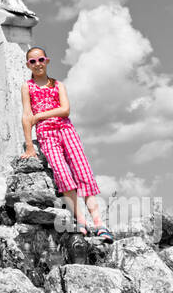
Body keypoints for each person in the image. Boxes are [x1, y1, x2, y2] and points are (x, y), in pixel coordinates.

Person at [19, 45, 112, 243]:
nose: (37, 64)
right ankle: (82, 222)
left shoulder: (58, 85)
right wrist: (29, 145)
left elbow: (65, 110)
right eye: (33, 61)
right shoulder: (27, 87)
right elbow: (26, 116)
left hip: (66, 130)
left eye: (41, 60)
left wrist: (40, 115)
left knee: (83, 172)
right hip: (46, 134)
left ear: (47, 60)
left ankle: (99, 223)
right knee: (63, 175)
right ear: (28, 65)